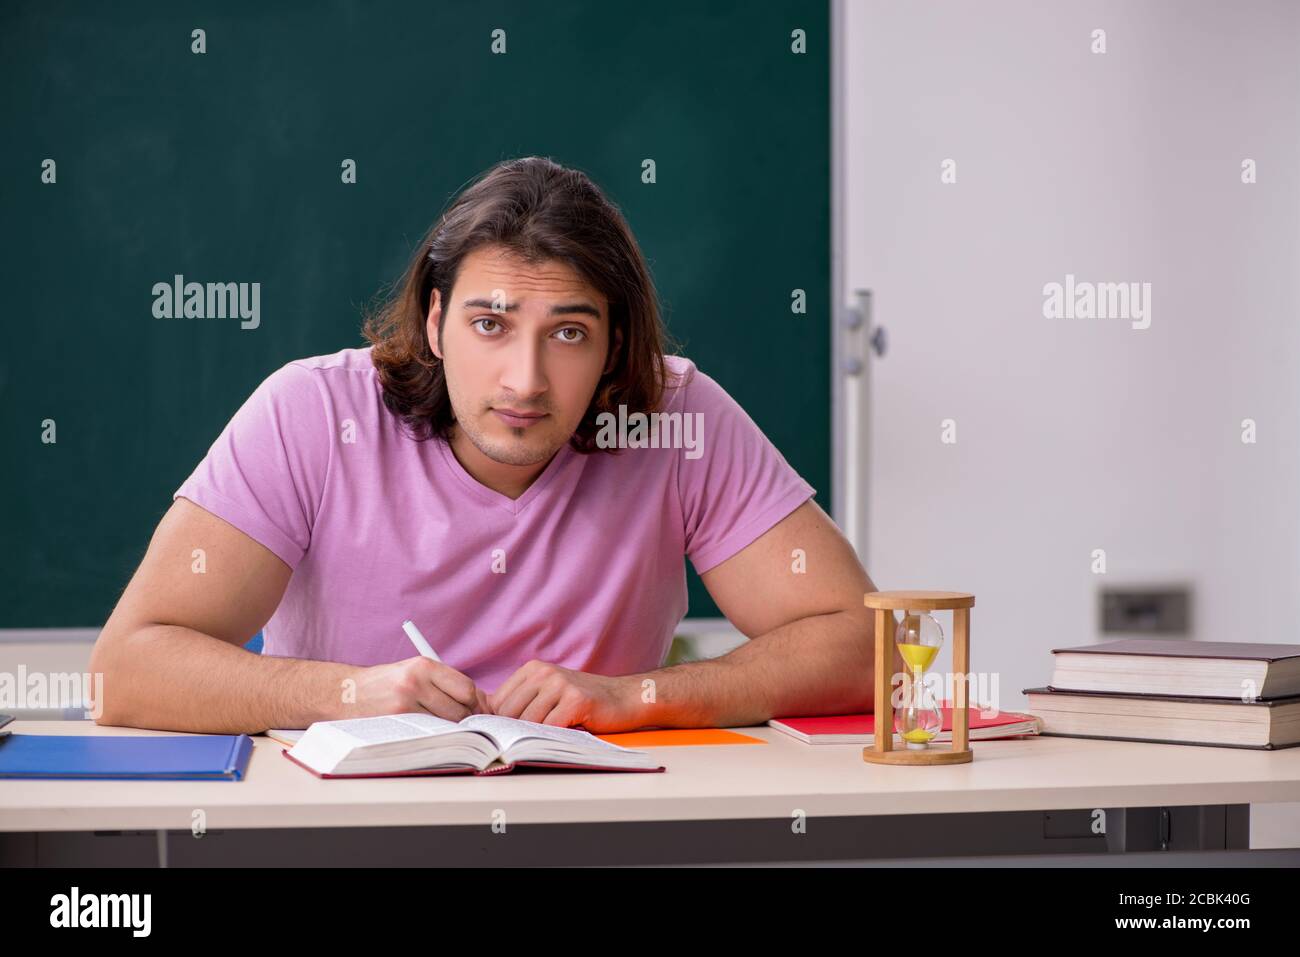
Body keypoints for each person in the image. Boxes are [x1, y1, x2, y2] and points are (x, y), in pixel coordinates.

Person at [90, 156, 891, 734]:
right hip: (342, 837)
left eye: (568, 332)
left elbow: (868, 643)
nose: (526, 380)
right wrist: (347, 693)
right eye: (490, 324)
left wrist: (640, 696)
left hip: (597, 836)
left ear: (615, 348)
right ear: (434, 324)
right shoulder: (309, 412)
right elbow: (126, 669)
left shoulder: (677, 416)